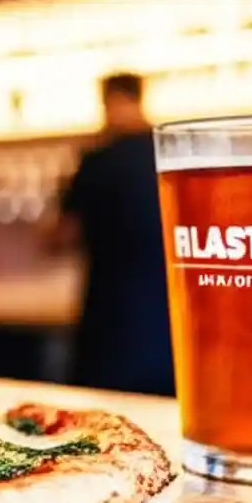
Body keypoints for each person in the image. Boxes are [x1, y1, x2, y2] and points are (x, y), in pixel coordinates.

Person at [49, 73, 173, 395]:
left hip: (110, 316)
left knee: (105, 420)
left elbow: (60, 238)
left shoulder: (97, 160)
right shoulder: (171, 155)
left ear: (110, 101)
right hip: (170, 319)